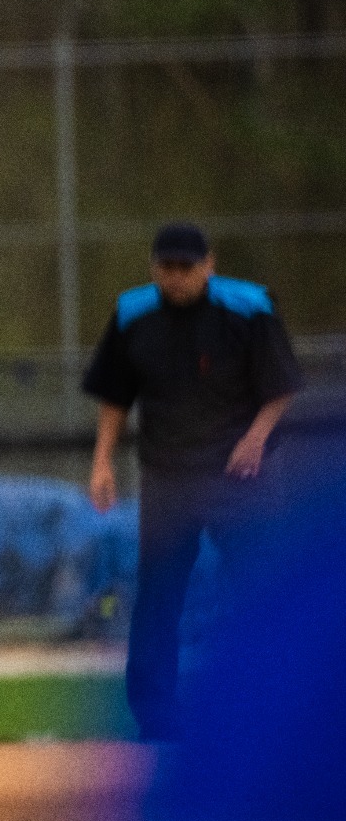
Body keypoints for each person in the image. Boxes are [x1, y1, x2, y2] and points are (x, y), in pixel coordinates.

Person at [82, 221, 302, 742]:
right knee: (159, 592)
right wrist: (102, 461)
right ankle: (156, 716)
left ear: (209, 264)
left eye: (187, 266)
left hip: (237, 473)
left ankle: (269, 704)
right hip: (168, 473)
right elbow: (116, 394)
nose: (176, 277)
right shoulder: (135, 313)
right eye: (167, 267)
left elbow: (282, 385)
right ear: (154, 267)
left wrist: (256, 437)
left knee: (259, 586)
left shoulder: (249, 307)